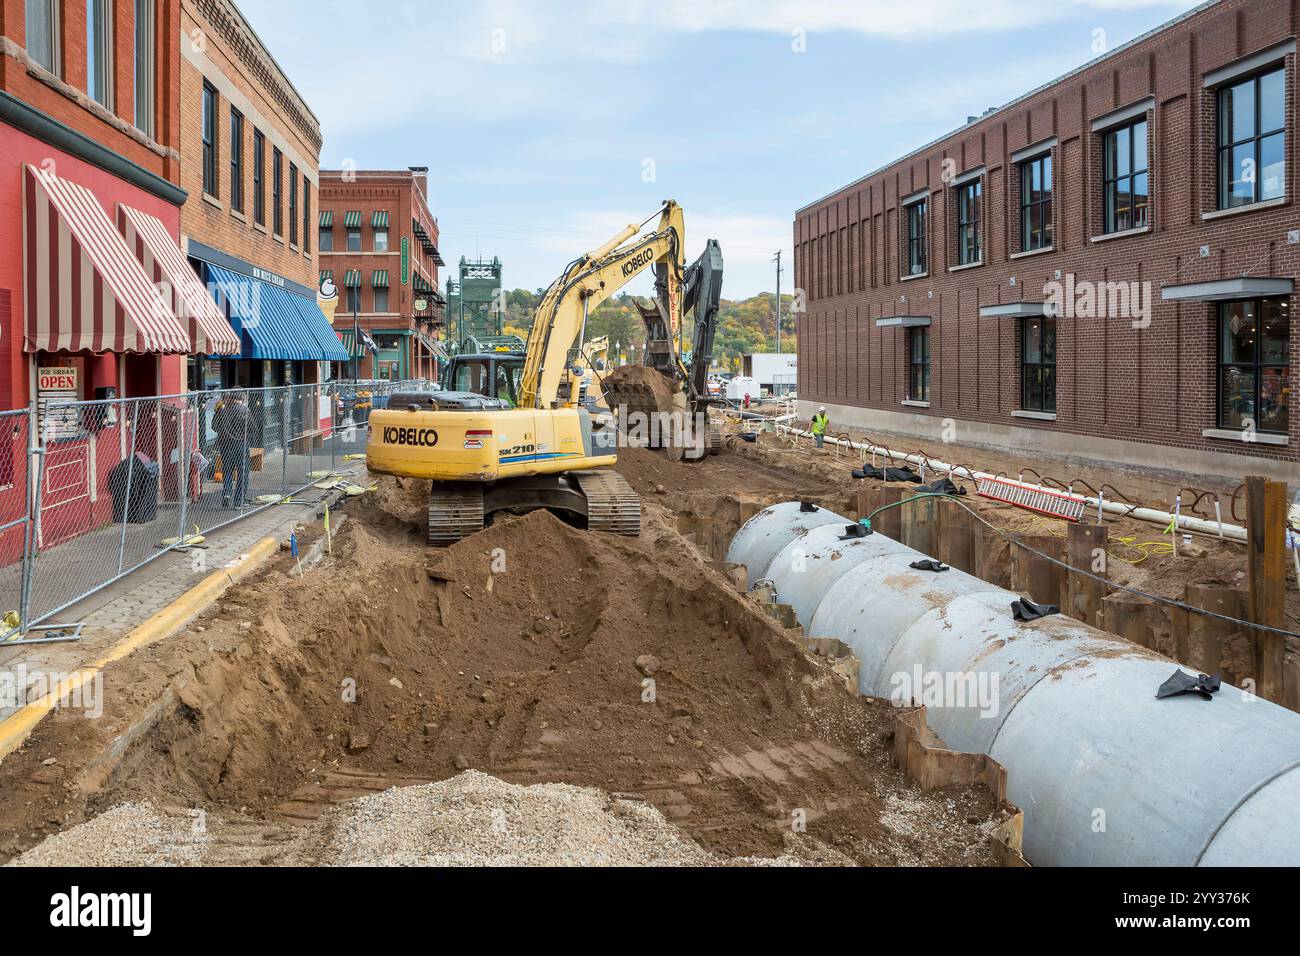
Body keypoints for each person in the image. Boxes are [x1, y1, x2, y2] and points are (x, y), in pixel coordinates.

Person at [213, 393, 251, 508]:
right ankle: (239, 501)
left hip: (225, 444)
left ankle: (227, 492)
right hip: (240, 444)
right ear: (241, 399)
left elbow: (214, 427)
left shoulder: (221, 410)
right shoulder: (245, 410)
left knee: (227, 469)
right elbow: (252, 427)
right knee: (242, 471)